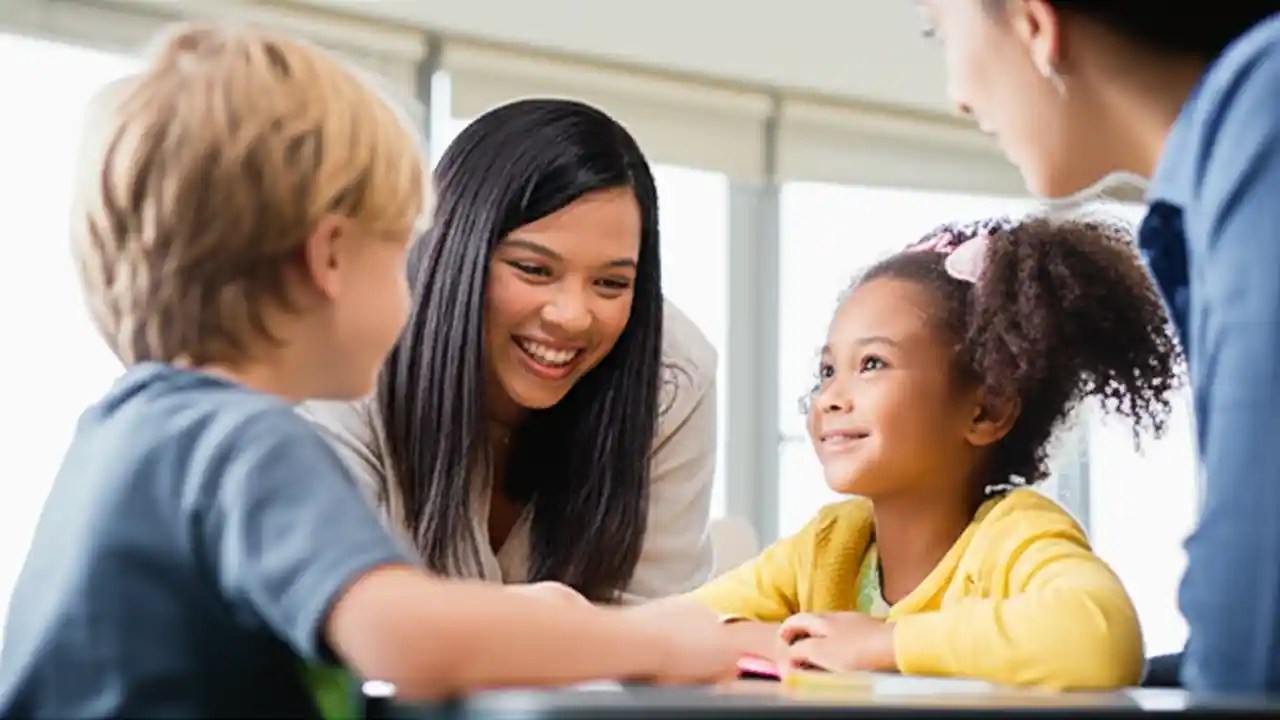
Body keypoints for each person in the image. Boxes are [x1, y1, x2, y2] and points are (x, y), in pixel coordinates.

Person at [0, 25, 743, 717]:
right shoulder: (248, 443)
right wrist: (656, 639)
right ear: (329, 259)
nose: (417, 289)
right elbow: (405, 641)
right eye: (399, 255)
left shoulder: (127, 428)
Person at [915, 0, 1280, 693]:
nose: (958, 97)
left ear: (1033, 22)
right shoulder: (1215, 179)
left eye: (940, 34)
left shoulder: (1262, 115)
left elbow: (1255, 622)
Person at [657, 215, 1182, 689]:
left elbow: (1102, 640)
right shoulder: (827, 546)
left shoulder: (1014, 535)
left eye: (872, 364)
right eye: (827, 371)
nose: (831, 399)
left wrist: (885, 644)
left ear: (986, 412)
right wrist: (759, 640)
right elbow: (668, 627)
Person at [301, 98, 717, 604]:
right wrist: (545, 625)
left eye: (611, 283)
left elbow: (658, 617)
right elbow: (331, 600)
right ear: (457, 252)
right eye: (534, 270)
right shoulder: (349, 351)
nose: (572, 315)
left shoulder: (672, 375)